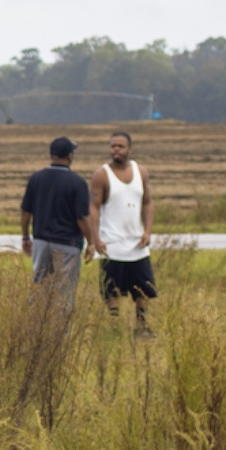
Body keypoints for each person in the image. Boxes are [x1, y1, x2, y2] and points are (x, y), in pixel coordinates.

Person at [90, 128, 156, 337]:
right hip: (112, 245)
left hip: (137, 245)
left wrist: (148, 231)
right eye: (113, 146)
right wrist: (96, 239)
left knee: (143, 290)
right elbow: (93, 208)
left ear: (130, 148)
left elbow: (148, 202)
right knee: (112, 291)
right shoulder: (102, 175)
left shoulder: (141, 172)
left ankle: (142, 327)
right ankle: (114, 328)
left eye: (120, 146)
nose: (116, 150)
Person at [21, 135, 96, 305]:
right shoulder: (77, 183)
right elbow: (82, 217)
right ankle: (60, 323)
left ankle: (35, 320)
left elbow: (26, 211)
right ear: (69, 156)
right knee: (63, 292)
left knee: (39, 287)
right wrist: (91, 242)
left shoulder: (36, 178)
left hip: (41, 242)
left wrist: (25, 237)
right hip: (67, 244)